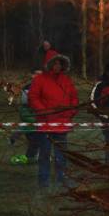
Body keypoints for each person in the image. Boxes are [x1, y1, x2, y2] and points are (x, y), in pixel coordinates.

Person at [28, 54, 78, 190]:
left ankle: (61, 179)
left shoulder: (66, 80)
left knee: (61, 155)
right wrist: (44, 111)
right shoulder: (40, 80)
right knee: (44, 154)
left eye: (60, 64)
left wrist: (70, 112)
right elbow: (33, 97)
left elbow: (74, 98)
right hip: (46, 124)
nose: (57, 66)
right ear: (49, 64)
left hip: (62, 124)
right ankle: (43, 181)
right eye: (55, 64)